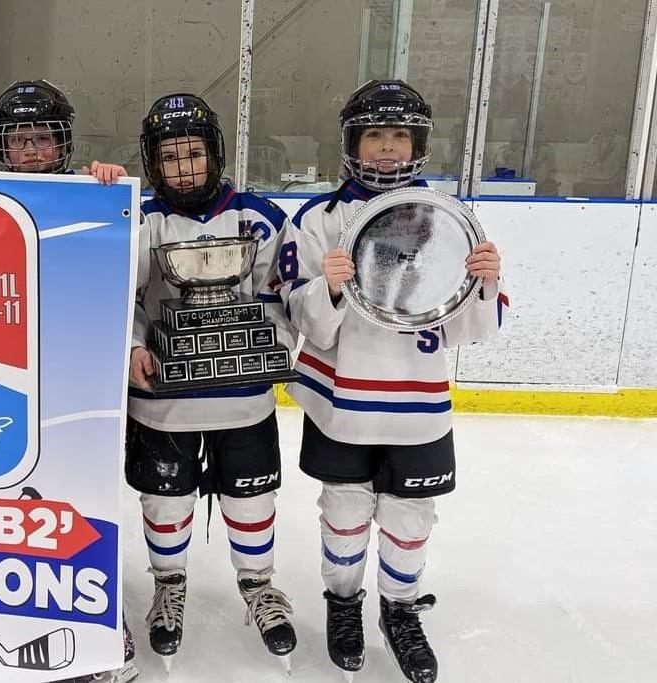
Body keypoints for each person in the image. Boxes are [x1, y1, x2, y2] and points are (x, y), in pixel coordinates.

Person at [276, 79, 507, 683]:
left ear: (417, 145)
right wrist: (325, 287)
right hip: (343, 403)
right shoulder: (318, 219)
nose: (386, 149)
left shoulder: (450, 220)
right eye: (374, 134)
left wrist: (484, 281)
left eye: (399, 136)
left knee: (411, 518)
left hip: (418, 404)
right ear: (353, 141)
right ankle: (344, 605)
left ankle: (400, 612)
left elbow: (471, 330)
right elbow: (309, 326)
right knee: (345, 512)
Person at [127, 93, 298, 672]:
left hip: (243, 403)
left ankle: (258, 586)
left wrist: (270, 341)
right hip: (164, 406)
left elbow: (280, 294)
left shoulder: (259, 216)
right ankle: (168, 586)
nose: (183, 169)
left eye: (193, 155)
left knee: (252, 498)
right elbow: (121, 296)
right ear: (153, 163)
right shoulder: (140, 219)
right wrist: (132, 346)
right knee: (164, 498)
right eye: (169, 157)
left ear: (216, 155)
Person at [0, 78, 133, 683]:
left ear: (63, 141)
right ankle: (2, 610)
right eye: (18, 140)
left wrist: (109, 194)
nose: (30, 151)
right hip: (0, 379)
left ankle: (97, 618)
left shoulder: (89, 195)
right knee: (3, 505)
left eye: (42, 138)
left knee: (78, 498)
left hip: (74, 383)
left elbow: (123, 277)